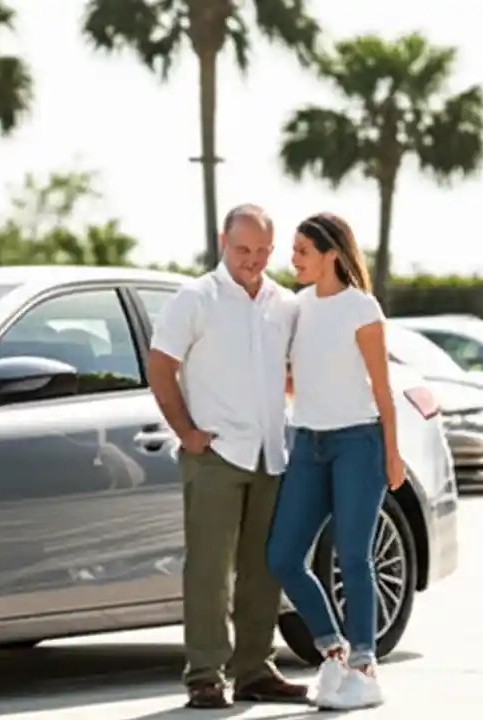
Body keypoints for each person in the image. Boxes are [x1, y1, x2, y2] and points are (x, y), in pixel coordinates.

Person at [147, 204, 308, 709]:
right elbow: (159, 365)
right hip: (215, 453)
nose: (253, 261)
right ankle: (205, 675)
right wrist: (186, 432)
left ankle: (255, 670)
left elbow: (294, 370)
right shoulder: (195, 298)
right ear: (223, 241)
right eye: (244, 250)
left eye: (263, 252)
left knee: (265, 568)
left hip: (270, 454)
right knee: (209, 570)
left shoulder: (283, 302)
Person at [266, 212, 403, 711]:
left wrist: (392, 451)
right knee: (282, 555)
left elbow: (382, 388)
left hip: (357, 443)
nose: (294, 259)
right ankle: (334, 651)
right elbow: (297, 376)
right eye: (294, 249)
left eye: (303, 250)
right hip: (308, 443)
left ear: (331, 254)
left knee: (352, 555)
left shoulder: (361, 307)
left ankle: (365, 668)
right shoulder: (297, 307)